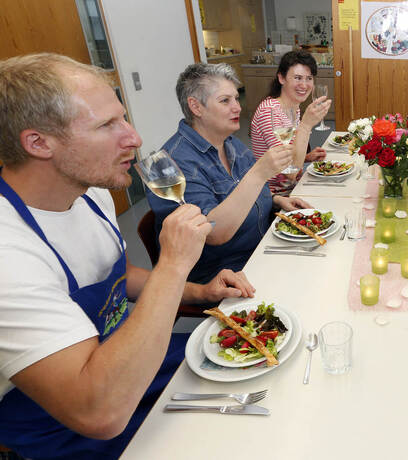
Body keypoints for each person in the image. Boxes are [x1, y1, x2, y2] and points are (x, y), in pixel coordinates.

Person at [0, 53, 255, 459]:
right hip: (70, 423)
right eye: (107, 125)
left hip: (131, 356)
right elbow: (100, 412)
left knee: (252, 374)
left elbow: (119, 274)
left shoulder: (91, 193)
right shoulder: (9, 255)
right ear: (38, 143)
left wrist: (200, 291)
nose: (134, 137)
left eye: (122, 118)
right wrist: (173, 264)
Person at [147, 62, 312, 284]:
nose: (237, 107)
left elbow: (246, 194)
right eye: (225, 101)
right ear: (196, 107)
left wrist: (276, 200)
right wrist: (259, 172)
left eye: (236, 98)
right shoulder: (164, 167)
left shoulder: (231, 143)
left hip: (262, 248)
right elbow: (213, 232)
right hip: (223, 275)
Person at [250, 50, 331, 195]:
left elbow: (286, 155)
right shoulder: (270, 111)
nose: (304, 85)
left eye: (309, 78)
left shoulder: (293, 108)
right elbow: (291, 173)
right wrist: (306, 125)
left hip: (294, 186)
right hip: (276, 195)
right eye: (298, 78)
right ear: (281, 78)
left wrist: (306, 157)